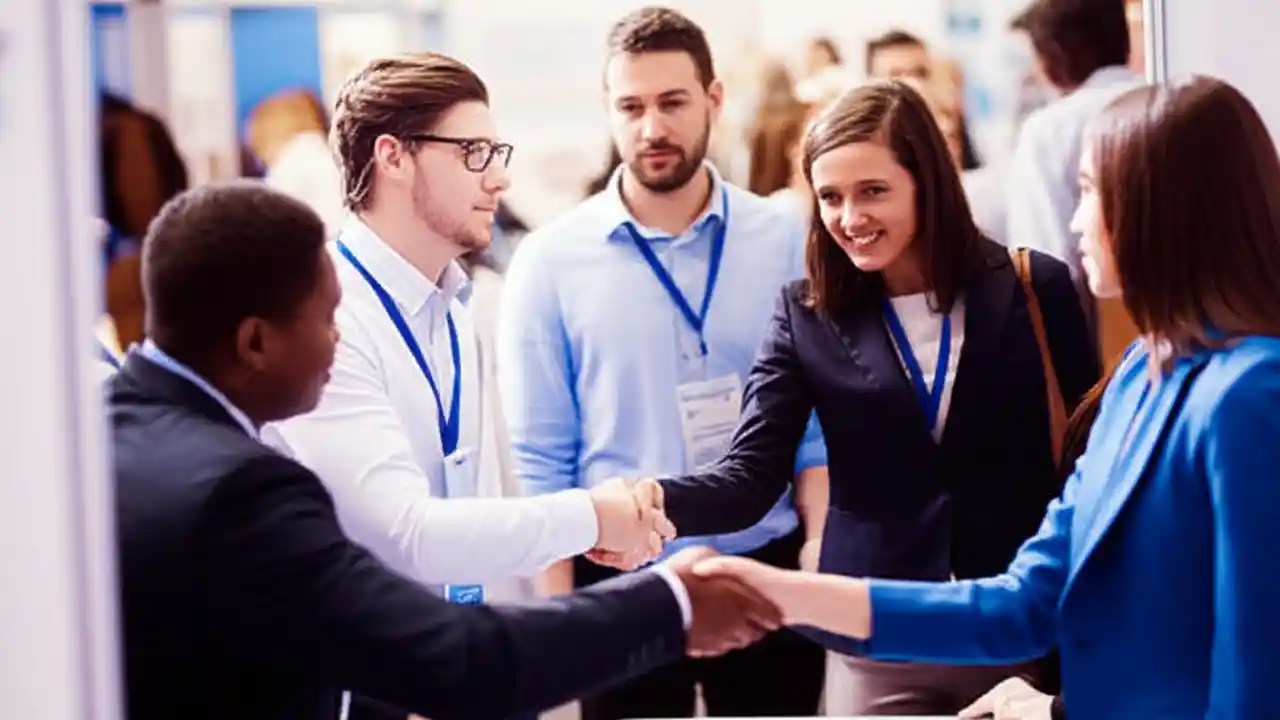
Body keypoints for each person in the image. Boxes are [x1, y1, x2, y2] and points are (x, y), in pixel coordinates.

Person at [690, 76, 1280, 720]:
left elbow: (1257, 674)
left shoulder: (1250, 394)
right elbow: (1023, 603)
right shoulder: (1141, 372)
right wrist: (775, 591)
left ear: (1165, 209)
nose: (1076, 219)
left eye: (1089, 191)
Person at [111, 181, 784, 720]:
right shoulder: (241, 493)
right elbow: (467, 661)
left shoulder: (105, 430)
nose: (338, 340)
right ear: (255, 342)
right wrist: (673, 606)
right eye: (325, 318)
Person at [649, 80, 1099, 715]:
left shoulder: (1033, 287)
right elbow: (751, 475)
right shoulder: (805, 313)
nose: (850, 219)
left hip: (1016, 622)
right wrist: (649, 503)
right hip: (876, 629)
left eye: (873, 191)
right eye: (830, 197)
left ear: (927, 182)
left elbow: (1089, 457)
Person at [497, 8, 828, 719]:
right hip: (619, 578)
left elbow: (814, 427)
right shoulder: (549, 262)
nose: (652, 128)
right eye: (632, 107)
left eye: (673, 102)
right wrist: (564, 627)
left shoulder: (785, 237)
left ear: (714, 98)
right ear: (608, 111)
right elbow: (544, 462)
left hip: (766, 559)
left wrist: (819, 554)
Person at [261, 52, 671, 607]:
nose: (500, 179)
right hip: (361, 679)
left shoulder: (454, 303)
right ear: (393, 157)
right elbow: (405, 534)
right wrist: (590, 518)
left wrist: (586, 539)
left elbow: (473, 507)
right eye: (474, 153)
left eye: (495, 153)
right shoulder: (324, 319)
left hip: (453, 650)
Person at [1005, 0, 1140, 321]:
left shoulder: (1049, 129)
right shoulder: (1167, 102)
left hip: (1095, 335)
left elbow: (1040, 261)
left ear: (1052, 57)